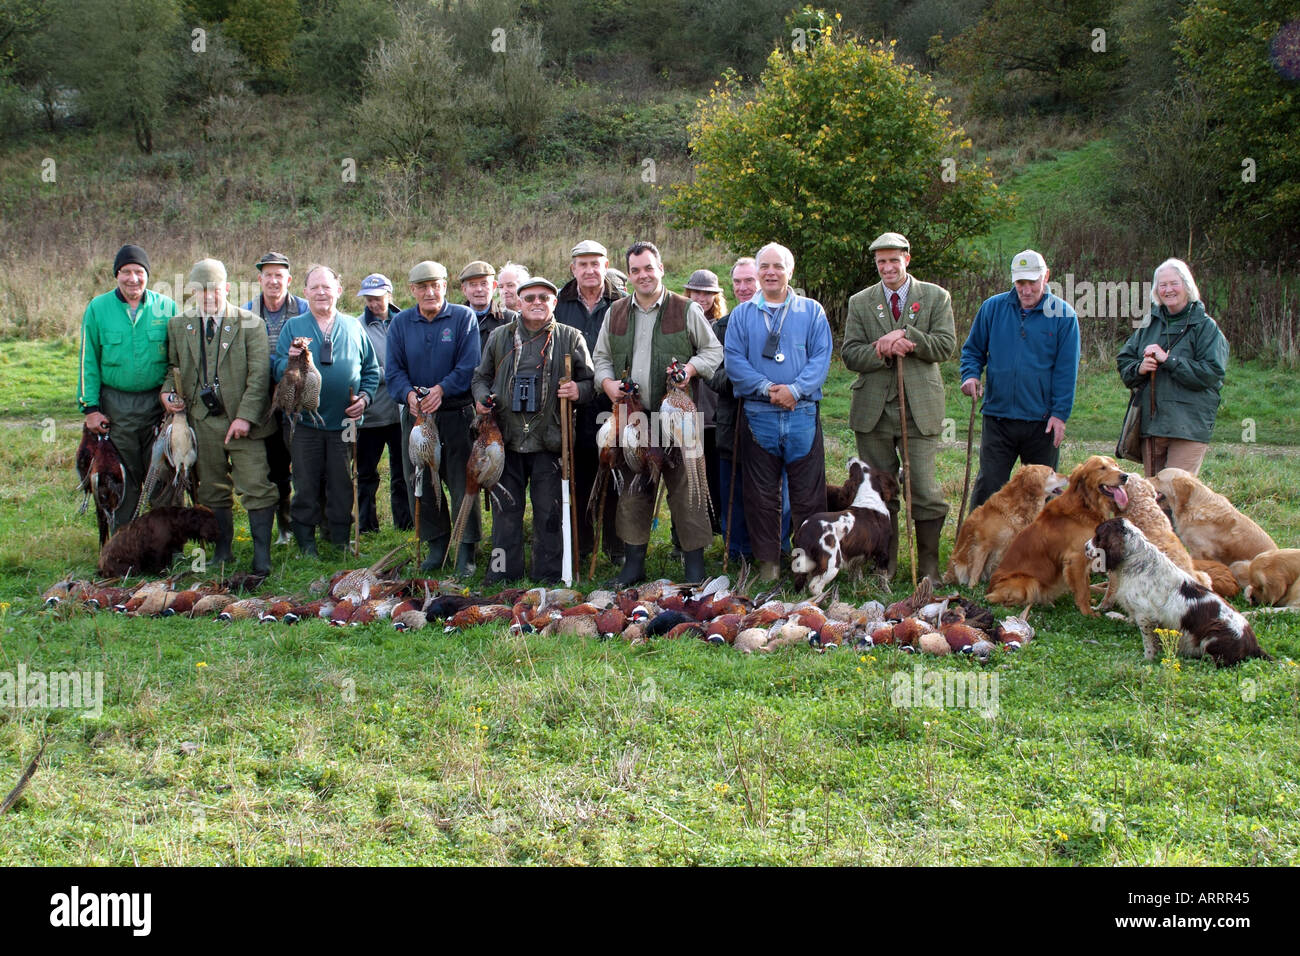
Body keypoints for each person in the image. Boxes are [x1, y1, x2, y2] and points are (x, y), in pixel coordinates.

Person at [593, 241, 723, 585]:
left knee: (688, 488)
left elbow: (713, 351)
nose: (642, 275)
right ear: (628, 274)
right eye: (635, 270)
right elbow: (601, 357)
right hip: (634, 416)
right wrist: (607, 384)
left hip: (678, 412)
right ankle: (633, 566)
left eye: (648, 268)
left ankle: (694, 568)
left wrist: (691, 370)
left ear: (661, 269)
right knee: (634, 488)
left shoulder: (686, 309)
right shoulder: (616, 311)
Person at [841, 232, 956, 581]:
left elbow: (945, 346)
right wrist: (883, 348)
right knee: (877, 489)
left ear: (907, 259)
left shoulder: (936, 297)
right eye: (881, 262)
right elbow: (850, 354)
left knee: (923, 489)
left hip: (919, 409)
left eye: (894, 260)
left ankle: (930, 569)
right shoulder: (860, 302)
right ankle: (884, 566)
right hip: (873, 410)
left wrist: (907, 335)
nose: (887, 267)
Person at [473, 277, 595, 583]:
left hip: (550, 440)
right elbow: (480, 377)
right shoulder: (500, 337)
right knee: (505, 513)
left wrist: (577, 391)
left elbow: (591, 382)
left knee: (550, 513)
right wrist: (480, 399)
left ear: (554, 303)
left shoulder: (571, 337)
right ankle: (502, 573)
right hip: (505, 440)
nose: (537, 302)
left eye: (544, 297)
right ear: (518, 302)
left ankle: (549, 576)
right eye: (529, 298)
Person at [724, 242, 833, 582]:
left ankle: (807, 567)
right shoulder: (742, 315)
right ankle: (769, 567)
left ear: (790, 271)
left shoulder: (811, 311)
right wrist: (767, 390)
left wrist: (795, 391)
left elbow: (821, 357)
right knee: (761, 497)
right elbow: (734, 361)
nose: (771, 272)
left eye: (778, 266)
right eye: (765, 266)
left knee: (809, 497)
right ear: (757, 272)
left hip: (802, 415)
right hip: (759, 416)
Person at [163, 258, 277, 574]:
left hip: (244, 423)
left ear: (226, 288)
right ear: (192, 292)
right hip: (202, 421)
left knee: (256, 486)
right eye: (200, 290)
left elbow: (259, 377)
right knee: (211, 488)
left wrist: (245, 418)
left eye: (214, 289)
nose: (208, 296)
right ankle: (222, 551)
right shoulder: (178, 326)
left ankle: (262, 558)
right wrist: (167, 393)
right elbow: (170, 370)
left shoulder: (250, 324)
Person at [960, 249, 1080, 510]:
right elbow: (972, 350)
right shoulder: (992, 308)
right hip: (998, 416)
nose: (1026, 290)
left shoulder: (1064, 315)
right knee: (989, 486)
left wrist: (1059, 414)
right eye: (1020, 283)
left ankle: (1043, 548)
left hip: (1042, 423)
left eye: (1032, 283)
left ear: (1046, 277)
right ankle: (976, 546)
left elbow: (1066, 371)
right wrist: (970, 375)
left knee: (1045, 491)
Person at [271, 265, 379, 555]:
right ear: (305, 292)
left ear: (339, 291)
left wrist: (365, 399)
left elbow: (371, 370)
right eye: (315, 287)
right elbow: (276, 366)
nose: (321, 292)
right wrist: (290, 363)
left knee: (342, 483)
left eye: (327, 287)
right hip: (304, 422)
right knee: (305, 484)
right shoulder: (294, 327)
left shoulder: (354, 327)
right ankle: (306, 542)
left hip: (344, 424)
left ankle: (340, 539)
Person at [386, 260, 482, 573]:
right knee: (422, 479)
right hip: (417, 417)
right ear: (412, 290)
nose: (430, 292)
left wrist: (443, 389)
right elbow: (393, 371)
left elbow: (470, 365)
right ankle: (436, 545)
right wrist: (409, 395)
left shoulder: (462, 317)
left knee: (461, 481)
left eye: (436, 285)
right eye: (423, 287)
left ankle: (465, 549)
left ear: (445, 286)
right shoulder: (400, 323)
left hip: (455, 413)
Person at [77, 243, 178, 532]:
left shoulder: (166, 306)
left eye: (139, 272)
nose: (133, 279)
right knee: (123, 473)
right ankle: (125, 541)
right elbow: (88, 361)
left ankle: (166, 540)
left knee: (162, 471)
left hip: (157, 404)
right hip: (116, 405)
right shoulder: (98, 309)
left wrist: (172, 394)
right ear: (116, 275)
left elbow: (177, 359)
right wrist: (91, 408)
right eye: (126, 272)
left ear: (147, 275)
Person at [1116, 258, 1227, 477]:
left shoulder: (1206, 327)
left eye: (1174, 283)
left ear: (1187, 285)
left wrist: (1169, 361)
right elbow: (1124, 360)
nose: (1168, 290)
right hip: (1152, 425)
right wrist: (1140, 368)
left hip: (1188, 427)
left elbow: (1212, 373)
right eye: (1162, 285)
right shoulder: (1149, 323)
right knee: (1154, 499)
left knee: (1175, 495)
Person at [555, 239, 626, 567]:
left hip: (612, 401)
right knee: (579, 472)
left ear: (606, 265)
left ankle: (616, 543)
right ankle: (582, 543)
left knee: (615, 472)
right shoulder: (559, 302)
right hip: (574, 404)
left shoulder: (622, 302)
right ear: (573, 268)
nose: (589, 270)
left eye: (595, 263)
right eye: (582, 264)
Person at [244, 251, 310, 545]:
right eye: (268, 275)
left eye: (279, 275)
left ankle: (308, 524)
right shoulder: (245, 314)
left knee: (305, 464)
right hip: (262, 400)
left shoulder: (305, 310)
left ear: (289, 280)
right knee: (275, 466)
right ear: (260, 279)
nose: (273, 281)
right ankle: (282, 526)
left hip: (299, 397)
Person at [355, 273, 412, 534]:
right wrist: (390, 373)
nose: (373, 304)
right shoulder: (357, 327)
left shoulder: (407, 322)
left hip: (403, 412)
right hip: (372, 413)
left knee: (403, 472)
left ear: (389, 295)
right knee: (366, 474)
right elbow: (358, 368)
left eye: (377, 298)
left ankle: (405, 522)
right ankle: (367, 526)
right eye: (368, 299)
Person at [713, 257, 756, 562]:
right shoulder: (721, 327)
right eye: (737, 282)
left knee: (770, 491)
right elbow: (713, 375)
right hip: (732, 421)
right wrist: (741, 373)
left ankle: (772, 550)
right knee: (734, 490)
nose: (742, 288)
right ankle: (737, 551)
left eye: (749, 281)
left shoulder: (780, 318)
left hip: (773, 417)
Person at [683, 269, 727, 537]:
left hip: (713, 414)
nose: (701, 298)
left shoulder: (722, 326)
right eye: (696, 292)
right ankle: (684, 535)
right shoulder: (680, 322)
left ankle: (716, 528)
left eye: (707, 294)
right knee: (686, 479)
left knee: (713, 475)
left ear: (715, 296)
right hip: (685, 413)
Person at [460, 260, 518, 354]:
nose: (479, 289)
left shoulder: (510, 319)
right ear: (464, 289)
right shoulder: (456, 318)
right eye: (473, 284)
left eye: (484, 283)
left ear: (494, 286)